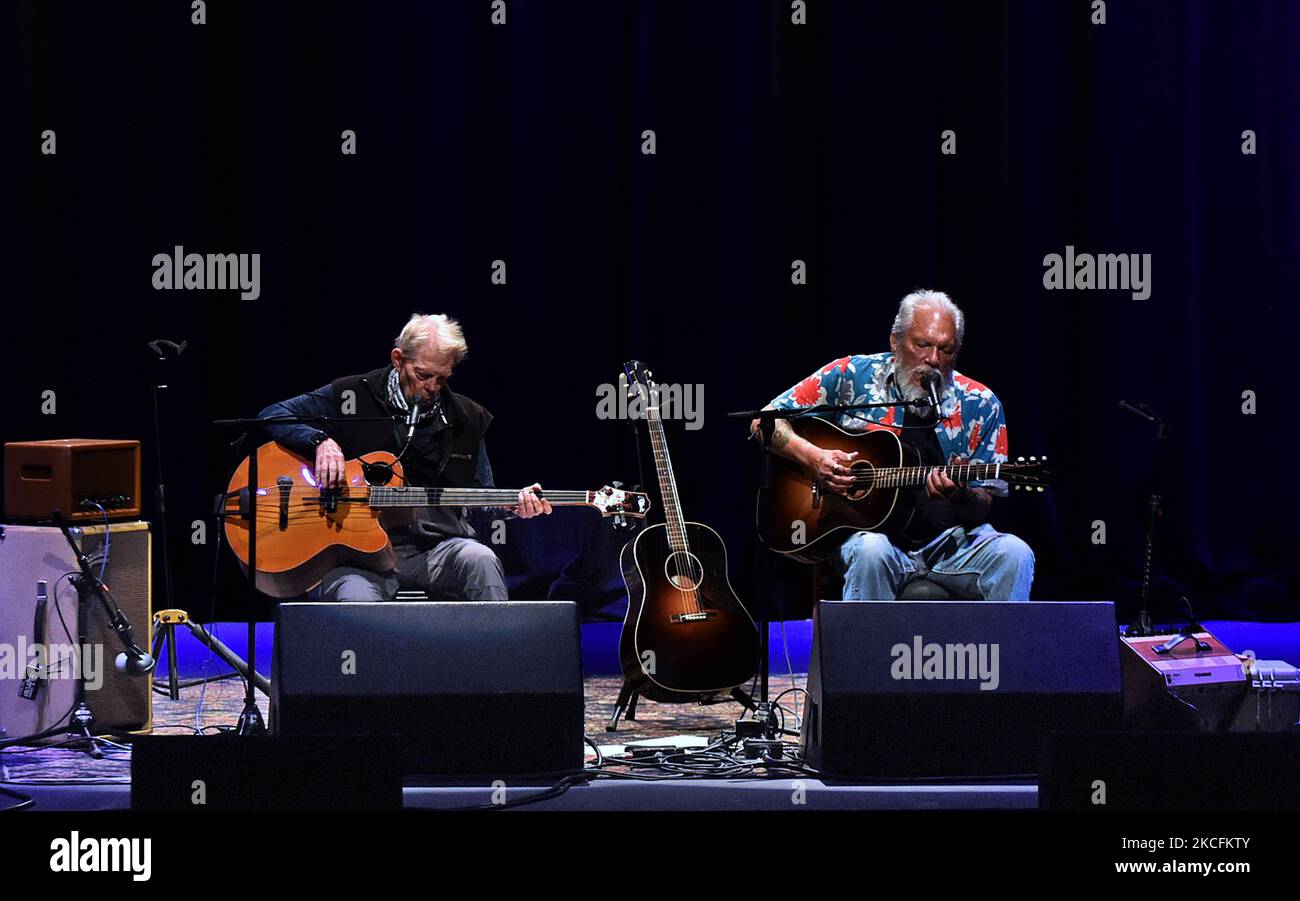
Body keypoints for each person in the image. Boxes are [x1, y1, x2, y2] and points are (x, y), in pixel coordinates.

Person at [754, 290, 1034, 601]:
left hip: (950, 543)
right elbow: (764, 422)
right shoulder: (850, 376)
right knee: (872, 551)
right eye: (922, 345)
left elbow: (983, 504)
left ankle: (998, 651)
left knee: (1015, 553)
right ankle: (866, 651)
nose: (933, 360)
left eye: (946, 350)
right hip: (872, 539)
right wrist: (814, 457)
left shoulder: (981, 404)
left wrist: (963, 493)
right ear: (895, 342)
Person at [259, 313, 552, 600]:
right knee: (354, 597)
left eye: (442, 378)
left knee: (481, 560)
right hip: (359, 558)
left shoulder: (468, 417)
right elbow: (272, 415)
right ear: (398, 359)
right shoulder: (352, 394)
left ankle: (497, 649)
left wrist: (514, 505)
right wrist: (319, 441)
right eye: (423, 375)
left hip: (437, 550)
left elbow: (483, 498)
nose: (432, 388)